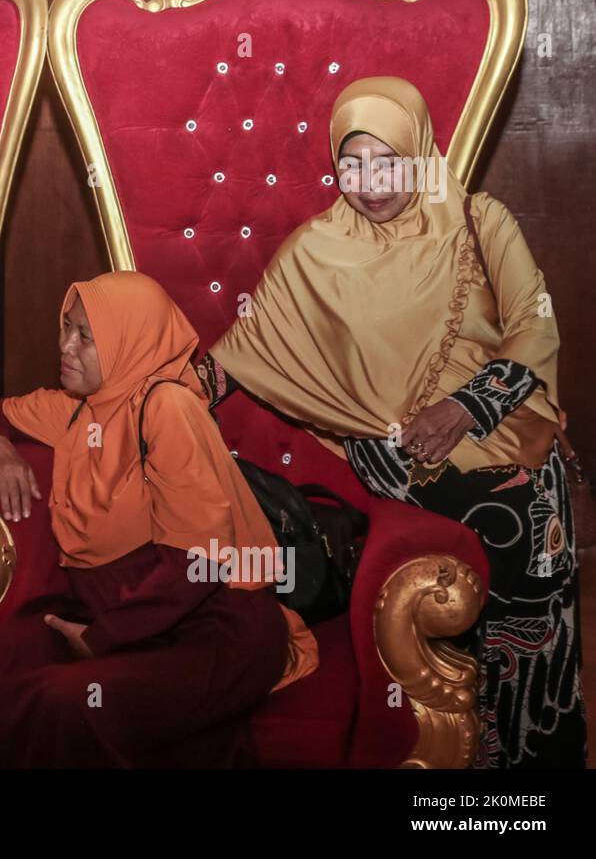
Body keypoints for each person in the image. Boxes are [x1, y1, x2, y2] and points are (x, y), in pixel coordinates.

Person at [202, 76, 585, 768]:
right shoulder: (314, 252)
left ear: (419, 152)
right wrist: (145, 391)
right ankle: (455, 761)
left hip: (497, 427)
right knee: (480, 527)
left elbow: (536, 321)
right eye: (352, 164)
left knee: (529, 514)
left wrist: (467, 405)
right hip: (402, 465)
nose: (370, 182)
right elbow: (244, 353)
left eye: (389, 161)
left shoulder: (479, 221)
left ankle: (529, 770)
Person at [0, 271, 318, 767]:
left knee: (72, 702)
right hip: (120, 611)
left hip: (210, 620)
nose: (64, 345)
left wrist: (103, 639)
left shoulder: (166, 405)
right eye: (67, 327)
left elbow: (203, 559)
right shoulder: (73, 409)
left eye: (85, 336)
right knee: (15, 658)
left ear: (129, 341)